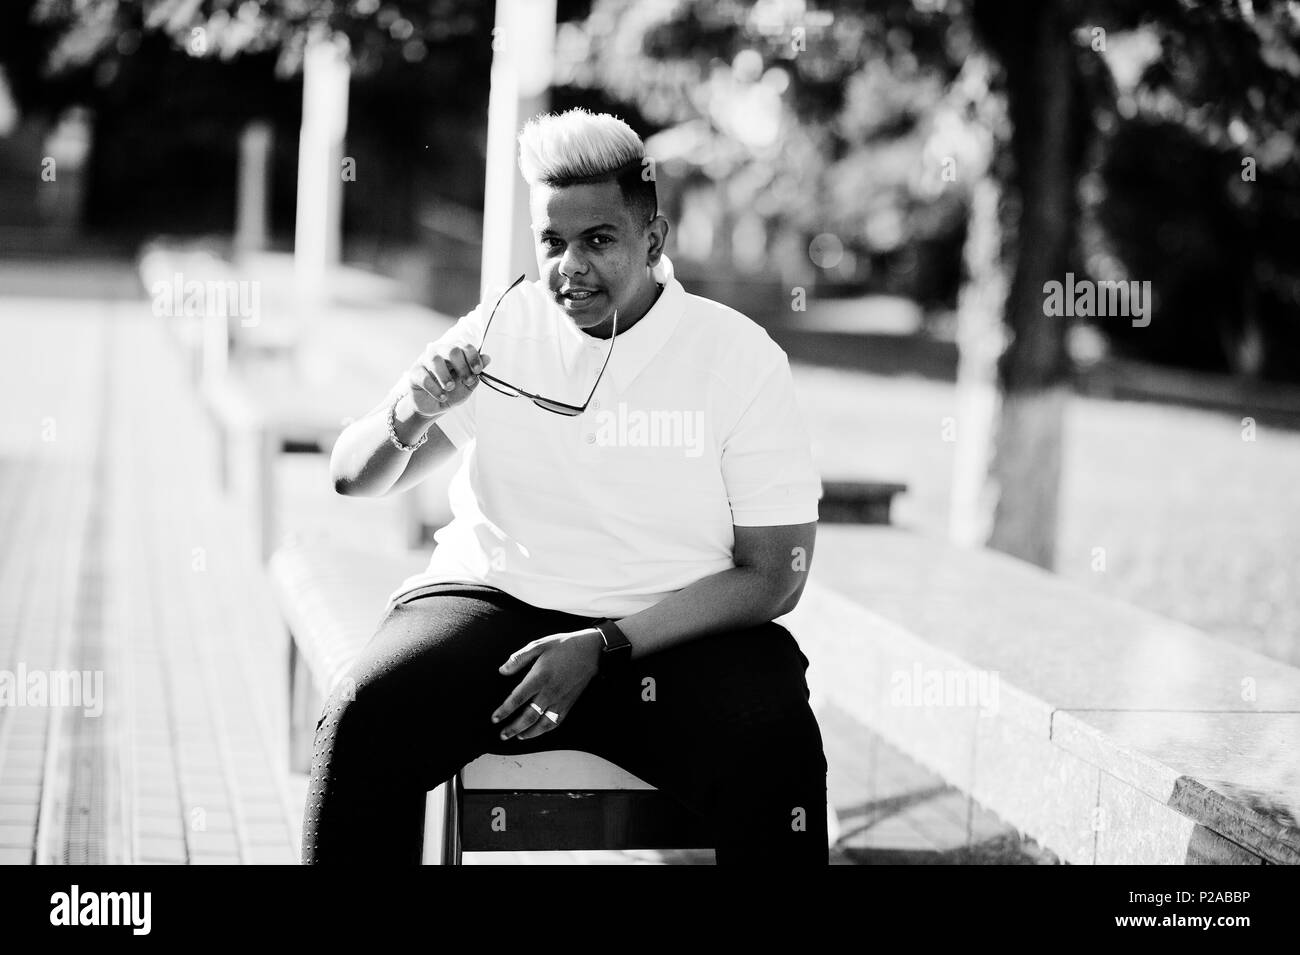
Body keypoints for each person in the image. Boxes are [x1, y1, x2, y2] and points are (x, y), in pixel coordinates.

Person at [305, 108, 828, 865]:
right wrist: (414, 409)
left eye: (597, 240)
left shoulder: (737, 358)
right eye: (551, 242)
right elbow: (352, 475)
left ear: (653, 240)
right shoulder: (500, 331)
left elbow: (777, 574)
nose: (569, 267)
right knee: (362, 712)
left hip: (670, 633)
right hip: (499, 612)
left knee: (774, 740)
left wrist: (607, 644)